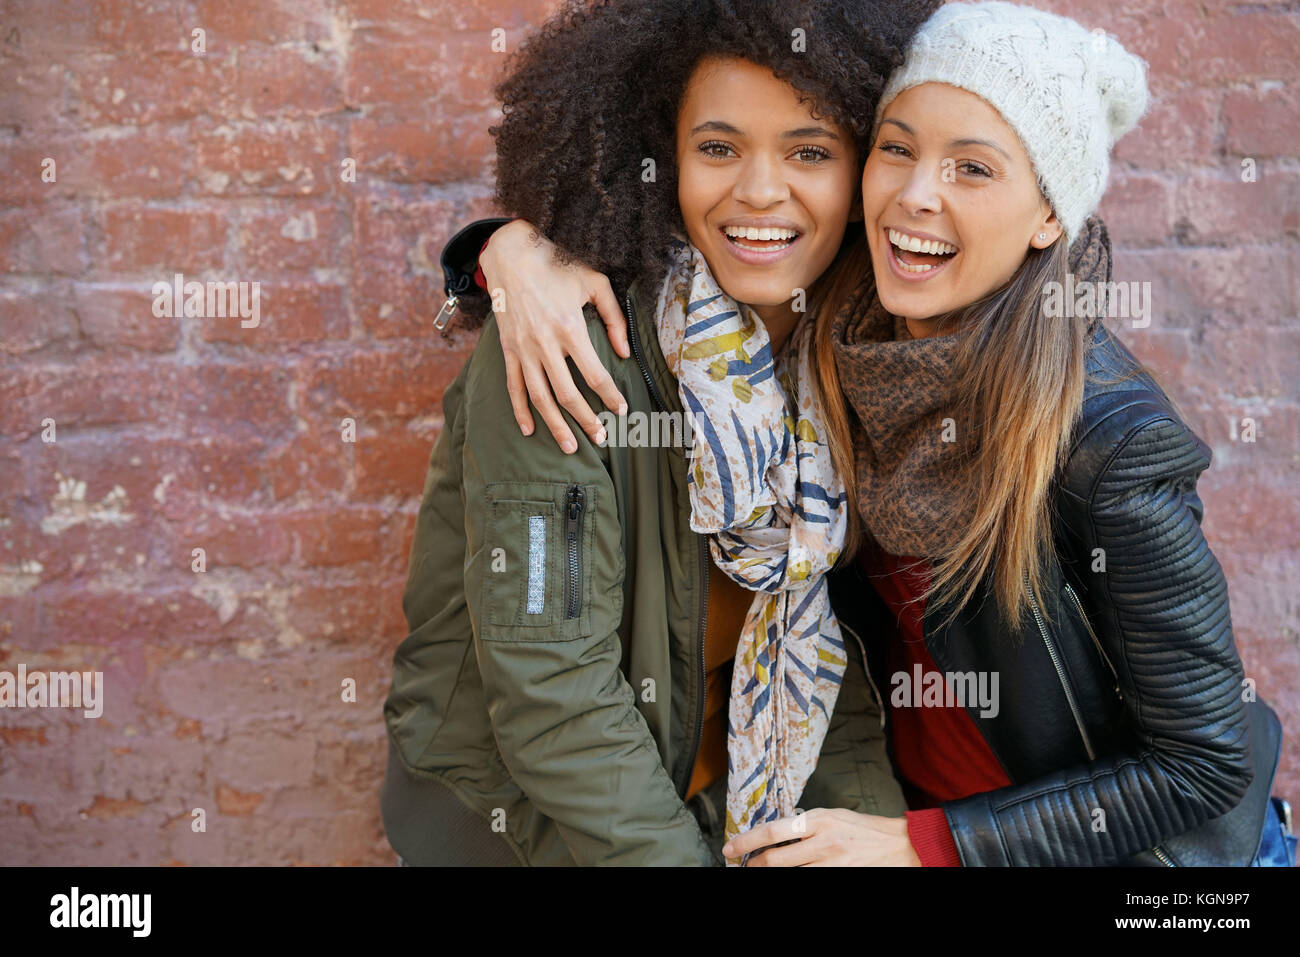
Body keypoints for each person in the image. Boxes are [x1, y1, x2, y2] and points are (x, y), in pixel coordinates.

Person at [445, 1, 1293, 866]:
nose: (918, 195)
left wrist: (925, 845)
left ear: (1049, 217)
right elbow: (823, 643)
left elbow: (1204, 762)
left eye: (973, 168)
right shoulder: (842, 340)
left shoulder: (1106, 444)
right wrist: (507, 250)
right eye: (900, 149)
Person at [381, 0, 943, 867]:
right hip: (527, 820)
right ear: (660, 160)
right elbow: (551, 693)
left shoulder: (843, 353)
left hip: (731, 795)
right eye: (717, 148)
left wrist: (862, 829)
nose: (759, 190)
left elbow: (826, 654)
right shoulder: (568, 347)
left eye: (809, 151)